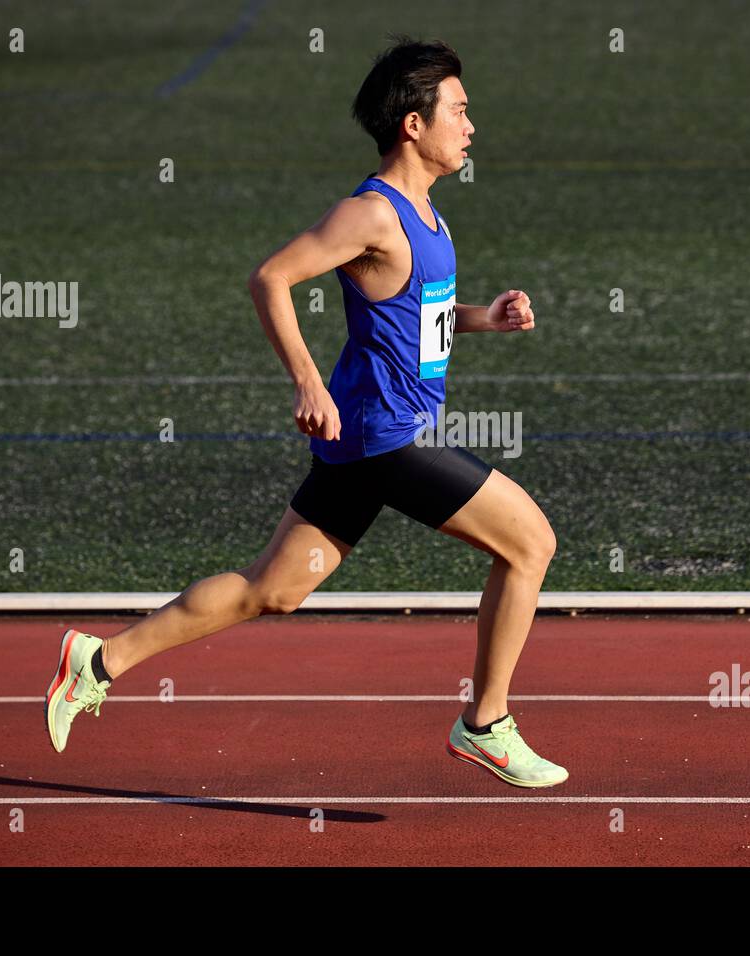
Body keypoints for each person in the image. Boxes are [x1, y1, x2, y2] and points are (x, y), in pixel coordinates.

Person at [44, 35, 567, 788]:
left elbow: (420, 317)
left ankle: (99, 659)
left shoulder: (428, 216)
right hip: (388, 440)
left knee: (273, 590)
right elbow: (272, 278)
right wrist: (307, 383)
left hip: (364, 442)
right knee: (529, 544)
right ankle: (485, 722)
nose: (471, 125)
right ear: (413, 124)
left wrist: (490, 318)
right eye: (459, 109)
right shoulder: (372, 215)